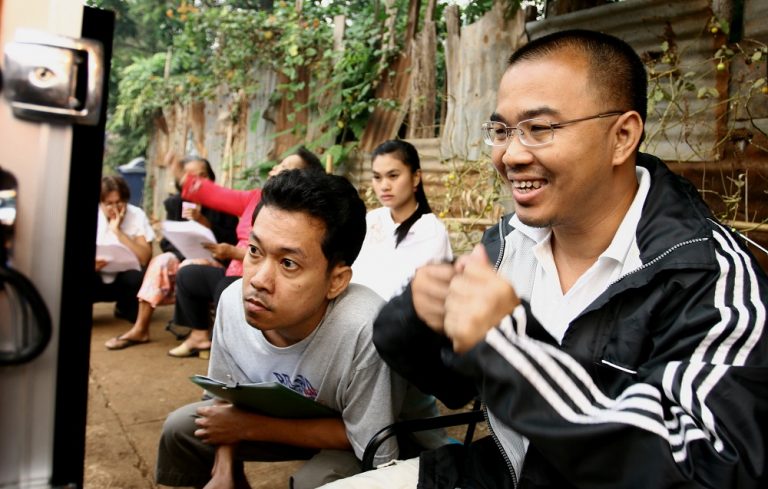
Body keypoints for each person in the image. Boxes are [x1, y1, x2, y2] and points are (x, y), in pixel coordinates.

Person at [321, 29, 768, 489]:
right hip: (500, 473)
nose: (510, 154)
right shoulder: (506, 245)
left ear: (622, 136)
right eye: (501, 130)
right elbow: (452, 387)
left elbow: (714, 468)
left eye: (540, 128)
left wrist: (511, 354)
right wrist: (413, 316)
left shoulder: (705, 276)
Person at [155, 169, 443, 489]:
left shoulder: (365, 328)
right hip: (290, 421)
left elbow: (370, 439)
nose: (258, 281)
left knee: (316, 482)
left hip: (379, 436)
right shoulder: (232, 302)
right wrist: (224, 469)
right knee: (181, 428)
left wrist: (250, 427)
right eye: (255, 251)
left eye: (288, 263)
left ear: (336, 281)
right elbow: (224, 400)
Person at [166, 147, 325, 357]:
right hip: (233, 270)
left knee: (227, 288)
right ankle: (199, 336)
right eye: (279, 164)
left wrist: (233, 252)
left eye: (284, 167)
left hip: (265, 279)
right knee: (188, 275)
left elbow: (280, 257)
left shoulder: (302, 216)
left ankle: (233, 352)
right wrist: (183, 177)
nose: (275, 168)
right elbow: (217, 194)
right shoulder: (256, 197)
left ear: (302, 180)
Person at [104, 157, 238, 350]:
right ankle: (140, 329)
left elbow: (232, 242)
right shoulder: (175, 204)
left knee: (190, 266)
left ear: (211, 178)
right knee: (161, 261)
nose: (198, 181)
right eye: (192, 176)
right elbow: (167, 242)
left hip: (216, 261)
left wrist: (203, 223)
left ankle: (197, 331)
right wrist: (184, 248)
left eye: (203, 175)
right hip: (184, 256)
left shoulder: (224, 206)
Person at [351, 139, 452, 300]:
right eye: (377, 177)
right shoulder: (371, 221)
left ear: (416, 177)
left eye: (393, 176)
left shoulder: (431, 231)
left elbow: (428, 294)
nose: (384, 186)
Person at [93, 175, 154, 323]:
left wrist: (118, 232)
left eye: (119, 202)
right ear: (101, 203)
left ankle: (125, 308)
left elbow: (145, 257)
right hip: (97, 276)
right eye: (109, 203)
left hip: (125, 277)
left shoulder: (137, 215)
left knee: (141, 275)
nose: (115, 208)